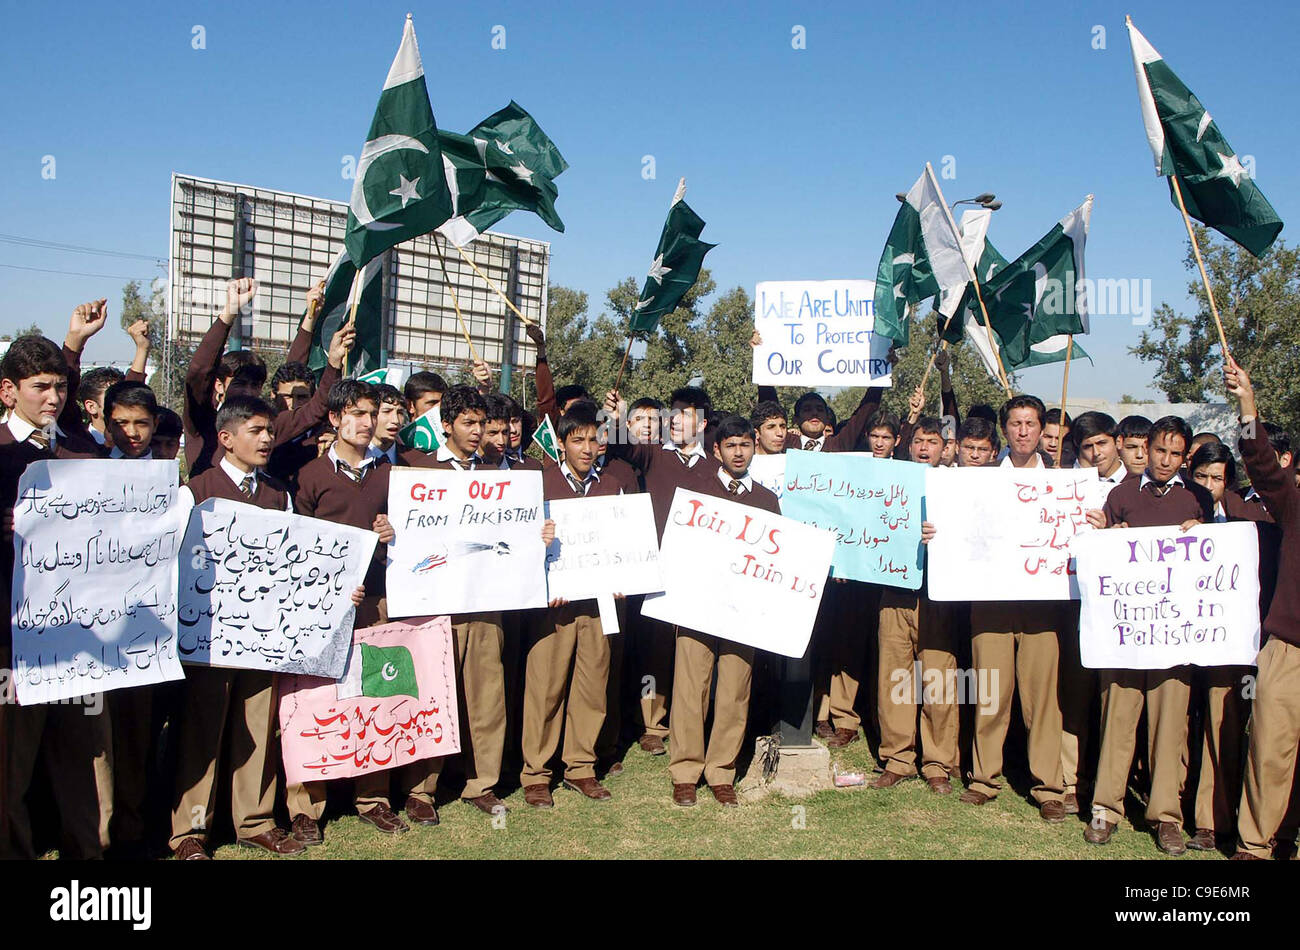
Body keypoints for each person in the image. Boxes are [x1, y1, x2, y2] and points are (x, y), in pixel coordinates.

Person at [169, 395, 364, 859]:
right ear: (226, 437)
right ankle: (192, 830)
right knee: (204, 733)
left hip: (264, 639)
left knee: (258, 728)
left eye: (269, 431)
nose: (266, 438)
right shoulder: (196, 491)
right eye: (255, 431)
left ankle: (254, 820)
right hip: (209, 640)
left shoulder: (279, 494)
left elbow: (299, 563)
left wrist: (340, 590)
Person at [286, 380, 421, 843]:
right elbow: (296, 543)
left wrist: (393, 531)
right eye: (356, 414)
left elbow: (418, 537)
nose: (365, 423)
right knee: (313, 701)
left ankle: (374, 798)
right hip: (322, 608)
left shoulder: (393, 474)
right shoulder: (309, 476)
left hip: (378, 602)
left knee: (377, 695)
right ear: (335, 419)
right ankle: (306, 805)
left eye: (371, 413)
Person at [0, 302, 112, 860]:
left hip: (77, 639)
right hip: (12, 641)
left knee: (82, 756)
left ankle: (86, 860)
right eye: (41, 387)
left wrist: (75, 341)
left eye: (61, 387)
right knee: (10, 763)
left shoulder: (77, 449)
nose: (54, 397)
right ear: (8, 391)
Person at [963, 395, 1103, 821]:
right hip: (990, 603)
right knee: (990, 691)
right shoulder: (977, 479)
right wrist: (938, 532)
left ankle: (1049, 786)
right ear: (1004, 429)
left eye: (1030, 424)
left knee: (1044, 699)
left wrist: (1097, 527)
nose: (1023, 432)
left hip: (1045, 607)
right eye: (1015, 424)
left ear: (1043, 430)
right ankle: (984, 778)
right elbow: (959, 531)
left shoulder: (1066, 483)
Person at [1085, 416, 1213, 855]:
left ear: (1185, 457)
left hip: (1174, 638)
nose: (1165, 460)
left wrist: (1204, 535)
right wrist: (1107, 536)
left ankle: (1165, 816)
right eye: (1160, 450)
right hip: (1125, 634)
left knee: (1168, 730)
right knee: (1117, 722)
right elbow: (1098, 554)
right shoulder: (1119, 495)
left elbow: (1213, 563)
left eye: (1176, 454)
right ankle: (1105, 808)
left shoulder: (1196, 499)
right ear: (1145, 448)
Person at [669, 414, 780, 807]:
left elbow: (773, 561)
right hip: (697, 605)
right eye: (730, 446)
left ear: (754, 448)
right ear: (716, 450)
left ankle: (721, 771)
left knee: (734, 689)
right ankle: (685, 771)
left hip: (742, 613)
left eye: (745, 445)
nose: (738, 452)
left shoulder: (767, 499)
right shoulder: (694, 490)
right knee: (690, 688)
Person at [521, 405, 630, 807]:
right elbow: (516, 544)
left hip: (600, 603)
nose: (588, 448)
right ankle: (536, 772)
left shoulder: (615, 484)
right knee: (546, 689)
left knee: (592, 687)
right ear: (562, 443)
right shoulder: (540, 484)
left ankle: (581, 767)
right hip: (554, 604)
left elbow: (626, 543)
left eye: (595, 439)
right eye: (578, 440)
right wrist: (540, 544)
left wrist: (626, 577)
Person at [603, 385, 720, 757]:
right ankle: (651, 722)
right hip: (656, 571)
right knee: (654, 648)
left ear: (702, 423)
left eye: (685, 414)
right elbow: (622, 445)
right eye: (673, 413)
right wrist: (617, 416)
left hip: (699, 575)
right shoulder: (653, 456)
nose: (675, 420)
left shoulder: (715, 467)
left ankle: (690, 720)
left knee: (692, 651)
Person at [1223, 359, 1300, 860]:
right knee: (1269, 751)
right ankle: (1255, 842)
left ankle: (1288, 837)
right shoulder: (1293, 506)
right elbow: (1262, 465)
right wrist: (1247, 401)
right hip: (1289, 652)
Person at [184, 278, 350, 477]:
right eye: (240, 383)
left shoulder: (270, 425)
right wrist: (230, 312)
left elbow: (306, 395)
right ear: (219, 385)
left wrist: (332, 362)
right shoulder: (202, 419)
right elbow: (199, 371)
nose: (248, 391)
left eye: (255, 385)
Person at [101, 381, 163, 856]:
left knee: (138, 733)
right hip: (89, 629)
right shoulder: (83, 472)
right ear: (105, 423)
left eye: (141, 423)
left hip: (146, 636)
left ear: (155, 425)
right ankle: (94, 830)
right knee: (96, 740)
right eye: (121, 423)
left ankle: (133, 829)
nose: (132, 432)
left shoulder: (169, 481)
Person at [872, 418, 949, 792]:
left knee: (938, 681)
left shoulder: (956, 486)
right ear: (909, 444)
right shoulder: (891, 478)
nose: (924, 448)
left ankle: (936, 762)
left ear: (944, 447)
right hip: (895, 590)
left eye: (932, 442)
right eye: (919, 441)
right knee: (895, 678)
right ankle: (898, 757)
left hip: (938, 597)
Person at [76, 366, 125, 447]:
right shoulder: (77, 447)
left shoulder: (140, 445)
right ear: (91, 407)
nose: (123, 402)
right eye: (113, 397)